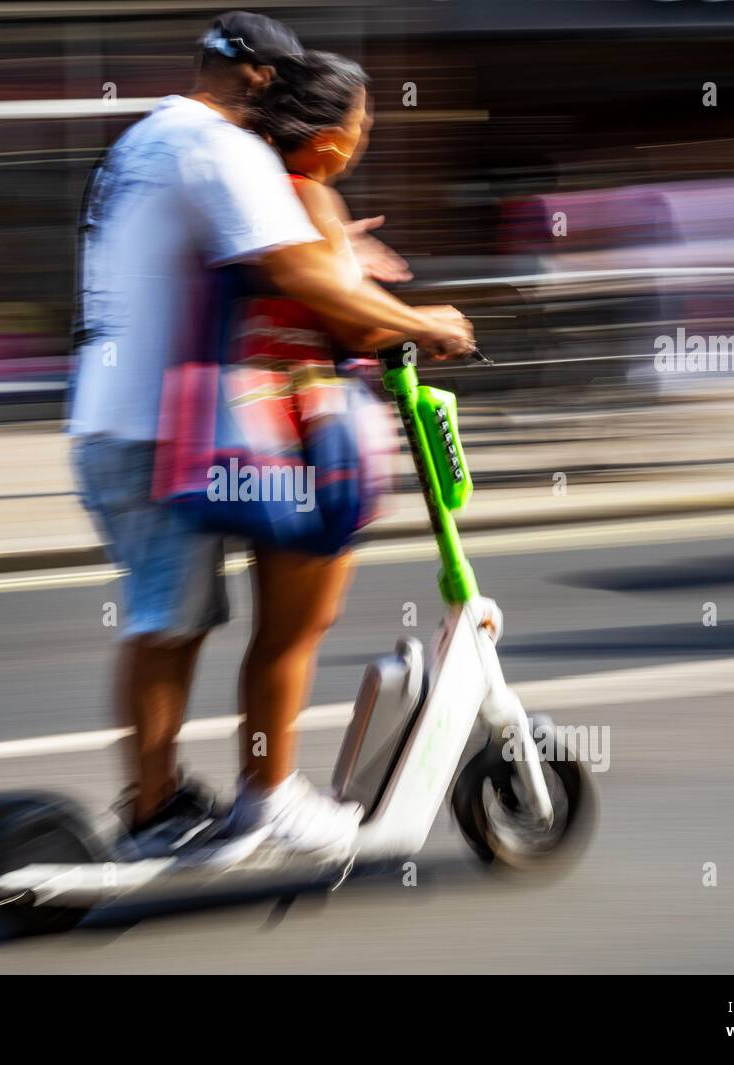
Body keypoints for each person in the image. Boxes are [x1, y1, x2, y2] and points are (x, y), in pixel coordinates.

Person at [68, 12, 475, 858]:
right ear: (258, 77)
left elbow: (267, 262)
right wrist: (416, 319)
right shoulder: (224, 151)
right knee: (179, 620)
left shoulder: (148, 138)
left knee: (178, 618)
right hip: (166, 423)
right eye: (359, 127)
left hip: (123, 412)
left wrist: (336, 261)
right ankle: (202, 807)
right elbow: (296, 274)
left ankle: (174, 800)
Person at [217, 51, 505, 860]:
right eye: (362, 118)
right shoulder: (308, 191)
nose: (368, 130)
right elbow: (353, 327)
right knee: (293, 628)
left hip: (273, 424)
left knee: (291, 625)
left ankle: (262, 790)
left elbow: (318, 291)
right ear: (330, 138)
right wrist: (430, 321)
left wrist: (353, 259)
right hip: (300, 428)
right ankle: (268, 796)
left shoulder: (280, 195)